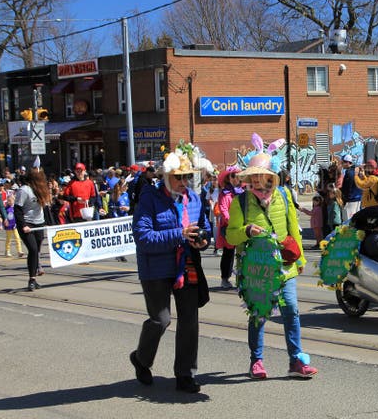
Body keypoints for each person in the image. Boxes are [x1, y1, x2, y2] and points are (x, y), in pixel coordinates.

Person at [226, 137, 317, 380]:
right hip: (257, 268)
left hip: (285, 266)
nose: (258, 183)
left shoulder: (285, 196)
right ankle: (256, 361)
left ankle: (296, 361)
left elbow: (294, 229)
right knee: (259, 312)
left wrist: (300, 260)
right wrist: (246, 231)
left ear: (272, 177)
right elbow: (230, 237)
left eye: (263, 178)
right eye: (253, 178)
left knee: (292, 311)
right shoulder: (240, 202)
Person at [130, 145, 212, 394]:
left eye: (187, 176)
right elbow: (143, 237)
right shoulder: (149, 197)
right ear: (166, 177)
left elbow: (204, 228)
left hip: (186, 265)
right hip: (155, 267)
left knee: (189, 320)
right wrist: (180, 234)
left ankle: (185, 374)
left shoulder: (194, 198)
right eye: (179, 176)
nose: (184, 181)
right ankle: (141, 359)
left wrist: (203, 240)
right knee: (161, 319)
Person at [14, 168, 51, 291]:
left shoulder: (41, 190)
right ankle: (31, 279)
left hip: (39, 223)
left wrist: (49, 223)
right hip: (27, 223)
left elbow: (45, 208)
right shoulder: (24, 190)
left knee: (37, 251)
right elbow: (17, 210)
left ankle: (34, 279)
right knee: (33, 249)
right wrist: (23, 225)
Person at [215, 165, 242, 289]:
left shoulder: (242, 192)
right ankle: (225, 278)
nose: (236, 177)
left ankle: (242, 278)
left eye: (238, 175)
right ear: (228, 178)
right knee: (229, 254)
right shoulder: (224, 193)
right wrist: (232, 222)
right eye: (233, 175)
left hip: (242, 227)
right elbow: (223, 210)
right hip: (229, 227)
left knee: (242, 253)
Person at [339, 155, 362, 220]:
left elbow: (347, 188)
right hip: (358, 199)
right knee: (355, 219)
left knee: (348, 221)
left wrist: (344, 199)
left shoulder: (349, 173)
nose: (342, 164)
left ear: (348, 163)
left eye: (342, 162)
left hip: (350, 200)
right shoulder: (356, 171)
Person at [3, 193, 24, 258]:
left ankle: (19, 251)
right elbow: (4, 216)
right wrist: (4, 223)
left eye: (10, 200)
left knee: (17, 238)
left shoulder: (15, 208)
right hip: (8, 225)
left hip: (15, 225)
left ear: (13, 200)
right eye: (8, 200)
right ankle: (7, 250)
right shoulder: (6, 208)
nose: (9, 202)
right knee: (8, 239)